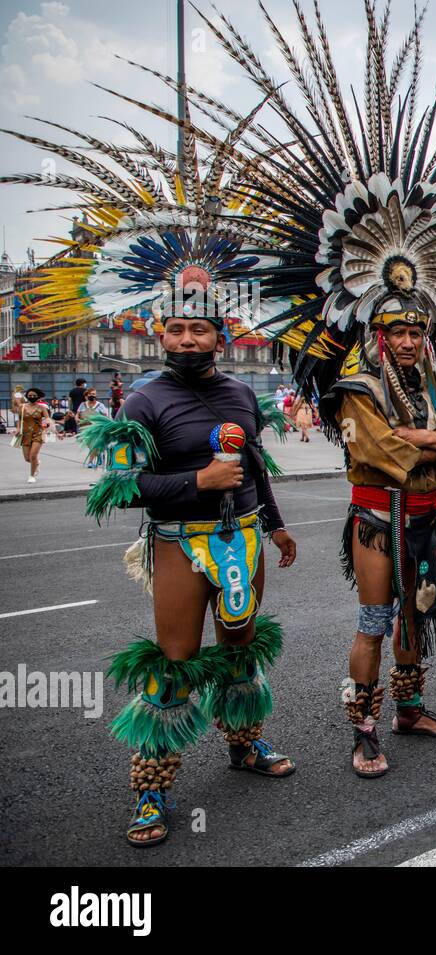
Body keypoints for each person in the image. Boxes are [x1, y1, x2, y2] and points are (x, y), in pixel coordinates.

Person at [212, 10, 436, 778]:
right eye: (398, 330)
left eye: (419, 329)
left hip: (424, 512)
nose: (411, 339)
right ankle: (364, 725)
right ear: (377, 329)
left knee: (420, 615)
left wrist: (430, 437)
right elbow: (376, 451)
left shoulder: (434, 376)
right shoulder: (355, 377)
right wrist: (426, 440)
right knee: (377, 617)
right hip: (375, 516)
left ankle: (410, 708)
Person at [82, 309, 299, 847]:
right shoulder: (142, 401)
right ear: (162, 336)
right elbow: (122, 487)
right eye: (176, 329)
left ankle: (245, 745)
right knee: (174, 664)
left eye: (198, 329)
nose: (186, 339)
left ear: (218, 337)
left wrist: (275, 526)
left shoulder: (242, 394)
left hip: (243, 539)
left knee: (239, 650)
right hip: (180, 541)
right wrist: (199, 479)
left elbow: (254, 468)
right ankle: (151, 788)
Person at [18, 386, 50, 482]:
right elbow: (20, 420)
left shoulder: (42, 408)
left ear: (38, 397)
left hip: (38, 433)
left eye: (34, 395)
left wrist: (48, 426)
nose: (32, 396)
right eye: (30, 395)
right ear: (27, 396)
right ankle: (36, 463)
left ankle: (32, 476)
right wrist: (18, 429)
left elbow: (47, 420)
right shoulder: (22, 407)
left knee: (33, 456)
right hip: (26, 434)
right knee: (27, 458)